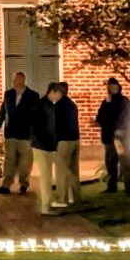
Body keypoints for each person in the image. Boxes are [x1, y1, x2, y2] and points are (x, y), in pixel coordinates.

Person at [0, 71, 41, 195]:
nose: (13, 82)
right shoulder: (8, 94)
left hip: (25, 134)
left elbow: (36, 116)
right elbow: (3, 112)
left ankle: (24, 183)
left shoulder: (33, 96)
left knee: (25, 162)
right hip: (11, 133)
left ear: (22, 81)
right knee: (9, 160)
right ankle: (6, 185)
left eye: (15, 80)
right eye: (13, 80)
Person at [95, 77, 130, 196]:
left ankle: (129, 188)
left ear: (118, 87)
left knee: (125, 163)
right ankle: (111, 186)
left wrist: (120, 130)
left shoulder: (125, 102)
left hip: (121, 138)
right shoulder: (106, 102)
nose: (111, 88)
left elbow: (127, 118)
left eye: (114, 86)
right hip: (108, 137)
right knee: (110, 163)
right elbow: (101, 118)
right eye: (110, 86)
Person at [49, 82, 82, 211]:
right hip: (75, 139)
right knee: (74, 171)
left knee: (61, 171)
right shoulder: (72, 105)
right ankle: (75, 197)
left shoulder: (58, 106)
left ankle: (61, 199)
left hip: (63, 141)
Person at [30, 83, 63, 215]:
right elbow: (39, 128)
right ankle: (45, 206)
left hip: (47, 145)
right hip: (42, 146)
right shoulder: (41, 106)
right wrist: (48, 143)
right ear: (52, 92)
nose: (60, 97)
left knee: (48, 175)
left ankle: (48, 201)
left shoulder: (49, 105)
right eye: (59, 94)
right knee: (45, 176)